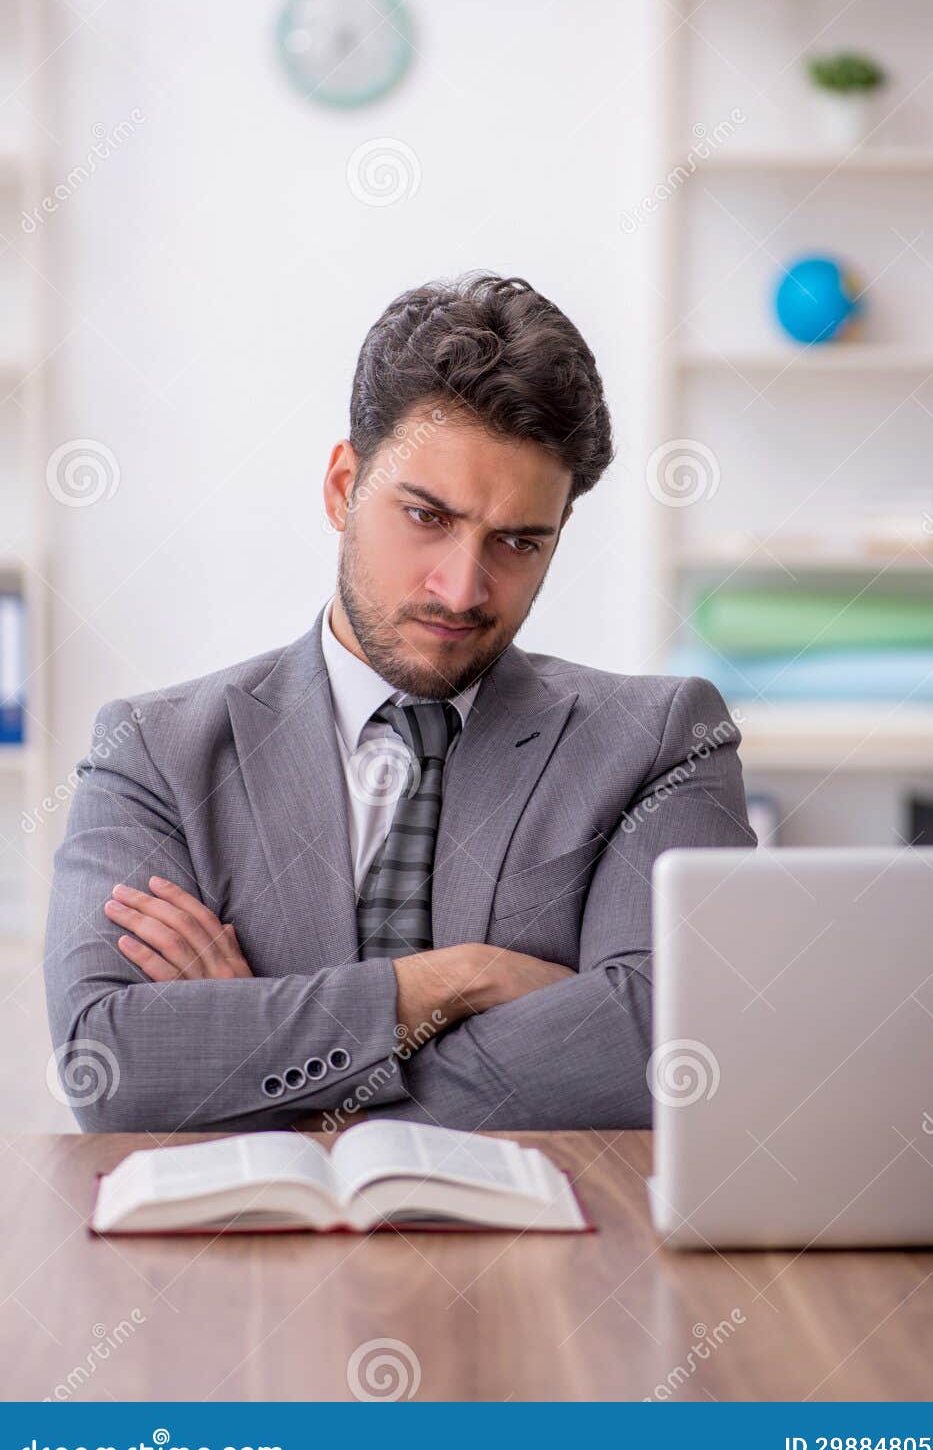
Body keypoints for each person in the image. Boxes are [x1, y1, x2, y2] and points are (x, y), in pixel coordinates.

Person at [44, 272, 755, 1134]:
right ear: (344, 487)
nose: (462, 588)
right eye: (426, 516)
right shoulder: (153, 751)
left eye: (518, 542)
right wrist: (453, 981)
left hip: (550, 1257)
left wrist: (258, 1056)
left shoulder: (663, 741)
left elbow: (661, 1052)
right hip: (240, 1256)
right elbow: (109, 1067)